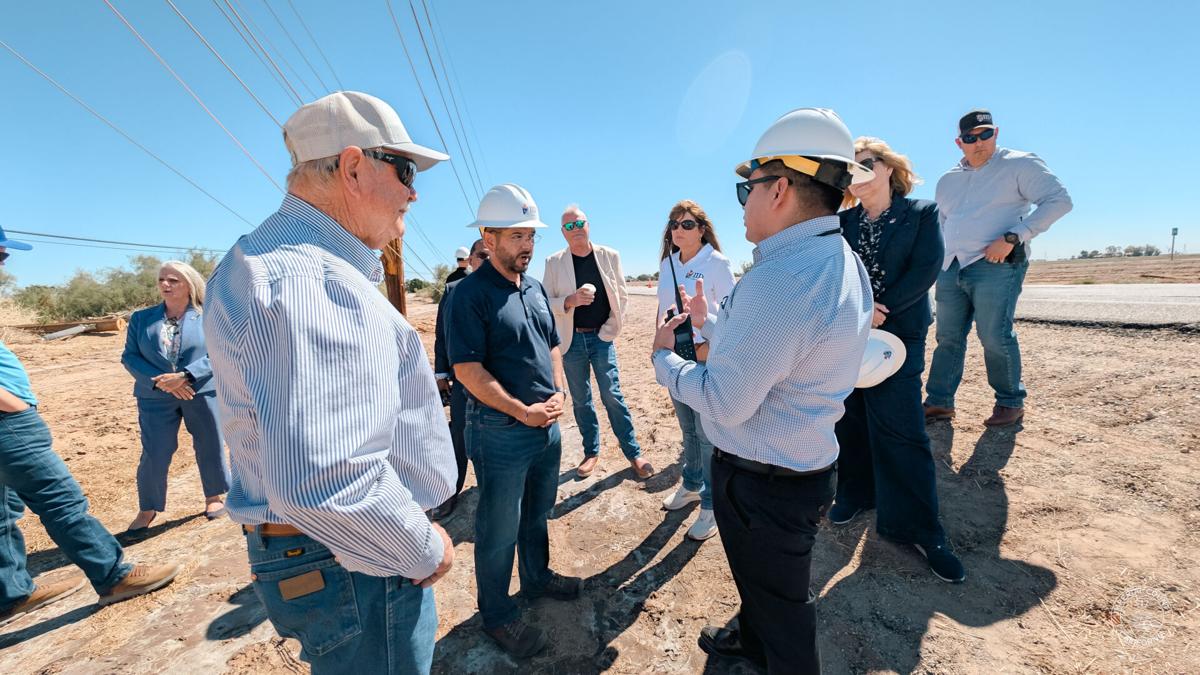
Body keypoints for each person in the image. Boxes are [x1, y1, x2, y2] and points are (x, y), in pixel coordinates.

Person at [203, 91, 458, 674]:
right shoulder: (311, 279)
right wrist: (423, 549)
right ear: (351, 168)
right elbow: (324, 481)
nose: (414, 192)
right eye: (406, 170)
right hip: (354, 559)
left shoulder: (259, 259)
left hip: (319, 551)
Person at [654, 108, 873, 674]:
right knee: (765, 588)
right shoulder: (837, 258)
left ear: (778, 189)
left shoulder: (783, 278)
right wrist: (709, 324)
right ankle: (751, 640)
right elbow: (772, 350)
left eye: (744, 188)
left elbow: (726, 399)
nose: (742, 202)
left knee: (784, 610)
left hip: (763, 482)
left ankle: (772, 651)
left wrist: (664, 362)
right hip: (795, 467)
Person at [0, 227, 180, 628]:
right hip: (6, 424)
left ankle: (11, 594)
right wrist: (14, 406)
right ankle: (113, 576)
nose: (4, 264)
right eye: (1, 256)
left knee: (2, 512)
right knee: (60, 499)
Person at [448, 184, 580, 659]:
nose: (527, 245)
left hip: (546, 426)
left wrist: (558, 392)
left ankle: (538, 578)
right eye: (517, 235)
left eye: (531, 235)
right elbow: (467, 370)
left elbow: (550, 346)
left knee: (537, 512)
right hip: (501, 432)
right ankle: (498, 616)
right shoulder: (468, 296)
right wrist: (522, 411)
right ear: (488, 235)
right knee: (498, 528)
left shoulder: (535, 288)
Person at [830, 137, 964, 583]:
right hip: (849, 333)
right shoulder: (841, 221)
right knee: (848, 418)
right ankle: (855, 492)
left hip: (899, 333)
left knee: (901, 428)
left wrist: (882, 307)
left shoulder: (921, 213)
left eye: (865, 163)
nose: (857, 172)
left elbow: (927, 267)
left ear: (888, 168)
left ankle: (920, 527)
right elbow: (835, 271)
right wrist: (860, 312)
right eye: (850, 167)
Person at [925, 109, 1073, 426]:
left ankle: (1009, 402)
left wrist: (1012, 237)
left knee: (994, 335)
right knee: (947, 338)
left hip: (997, 264)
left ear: (996, 133)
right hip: (951, 267)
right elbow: (943, 223)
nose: (978, 142)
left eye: (985, 134)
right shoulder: (947, 180)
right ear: (959, 142)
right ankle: (939, 402)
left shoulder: (1019, 164)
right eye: (970, 138)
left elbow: (1059, 201)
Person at [542, 204, 651, 479]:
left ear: (588, 225)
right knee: (581, 401)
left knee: (612, 395)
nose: (575, 229)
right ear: (563, 233)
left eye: (579, 223)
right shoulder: (553, 262)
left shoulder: (609, 255)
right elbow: (544, 302)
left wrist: (608, 331)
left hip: (602, 338)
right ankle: (591, 452)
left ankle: (634, 453)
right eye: (569, 226)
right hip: (572, 341)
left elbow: (621, 296)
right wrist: (570, 300)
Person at [121, 260, 230, 531]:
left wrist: (186, 376)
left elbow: (220, 351)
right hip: (155, 395)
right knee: (155, 451)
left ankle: (213, 497)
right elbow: (130, 357)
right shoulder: (141, 319)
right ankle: (148, 508)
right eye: (161, 280)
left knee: (209, 444)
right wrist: (162, 383)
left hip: (200, 389)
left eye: (173, 280)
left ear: (189, 285)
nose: (165, 285)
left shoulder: (209, 315)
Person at [654, 200, 735, 541]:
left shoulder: (716, 264)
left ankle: (711, 505)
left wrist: (707, 347)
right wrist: (657, 344)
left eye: (687, 224)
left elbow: (734, 318)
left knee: (706, 435)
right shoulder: (667, 264)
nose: (678, 229)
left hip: (705, 357)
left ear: (702, 229)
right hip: (677, 356)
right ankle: (690, 484)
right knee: (687, 429)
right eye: (674, 224)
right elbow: (662, 311)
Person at [432, 237, 490, 519]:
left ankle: (490, 491)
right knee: (457, 437)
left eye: (491, 256)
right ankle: (449, 493)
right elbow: (442, 333)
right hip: (462, 383)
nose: (486, 261)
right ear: (470, 259)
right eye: (481, 256)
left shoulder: (504, 289)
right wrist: (441, 373)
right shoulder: (453, 290)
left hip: (496, 383)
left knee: (493, 437)